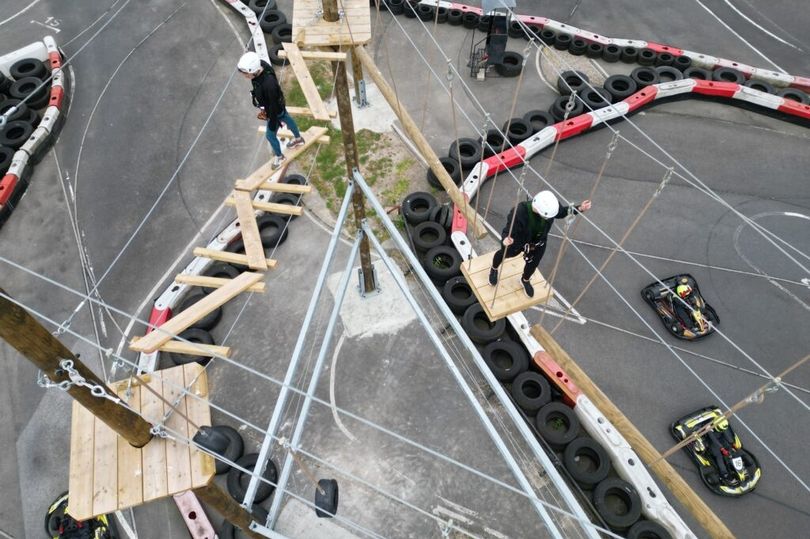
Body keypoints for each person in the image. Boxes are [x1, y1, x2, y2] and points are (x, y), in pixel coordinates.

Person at [489, 191, 592, 297]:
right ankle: (494, 268)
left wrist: (579, 208)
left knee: (533, 263)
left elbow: (562, 212)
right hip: (519, 240)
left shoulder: (551, 207)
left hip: (538, 243)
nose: (549, 218)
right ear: (539, 210)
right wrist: (505, 240)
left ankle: (525, 280)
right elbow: (509, 229)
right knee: (505, 253)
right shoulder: (520, 212)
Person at [237, 51, 304, 169]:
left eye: (246, 73)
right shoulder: (262, 66)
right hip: (278, 106)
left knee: (270, 135)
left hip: (274, 110)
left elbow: (273, 105)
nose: (245, 76)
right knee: (286, 117)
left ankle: (280, 157)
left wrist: (272, 122)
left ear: (252, 70)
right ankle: (298, 139)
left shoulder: (269, 84)